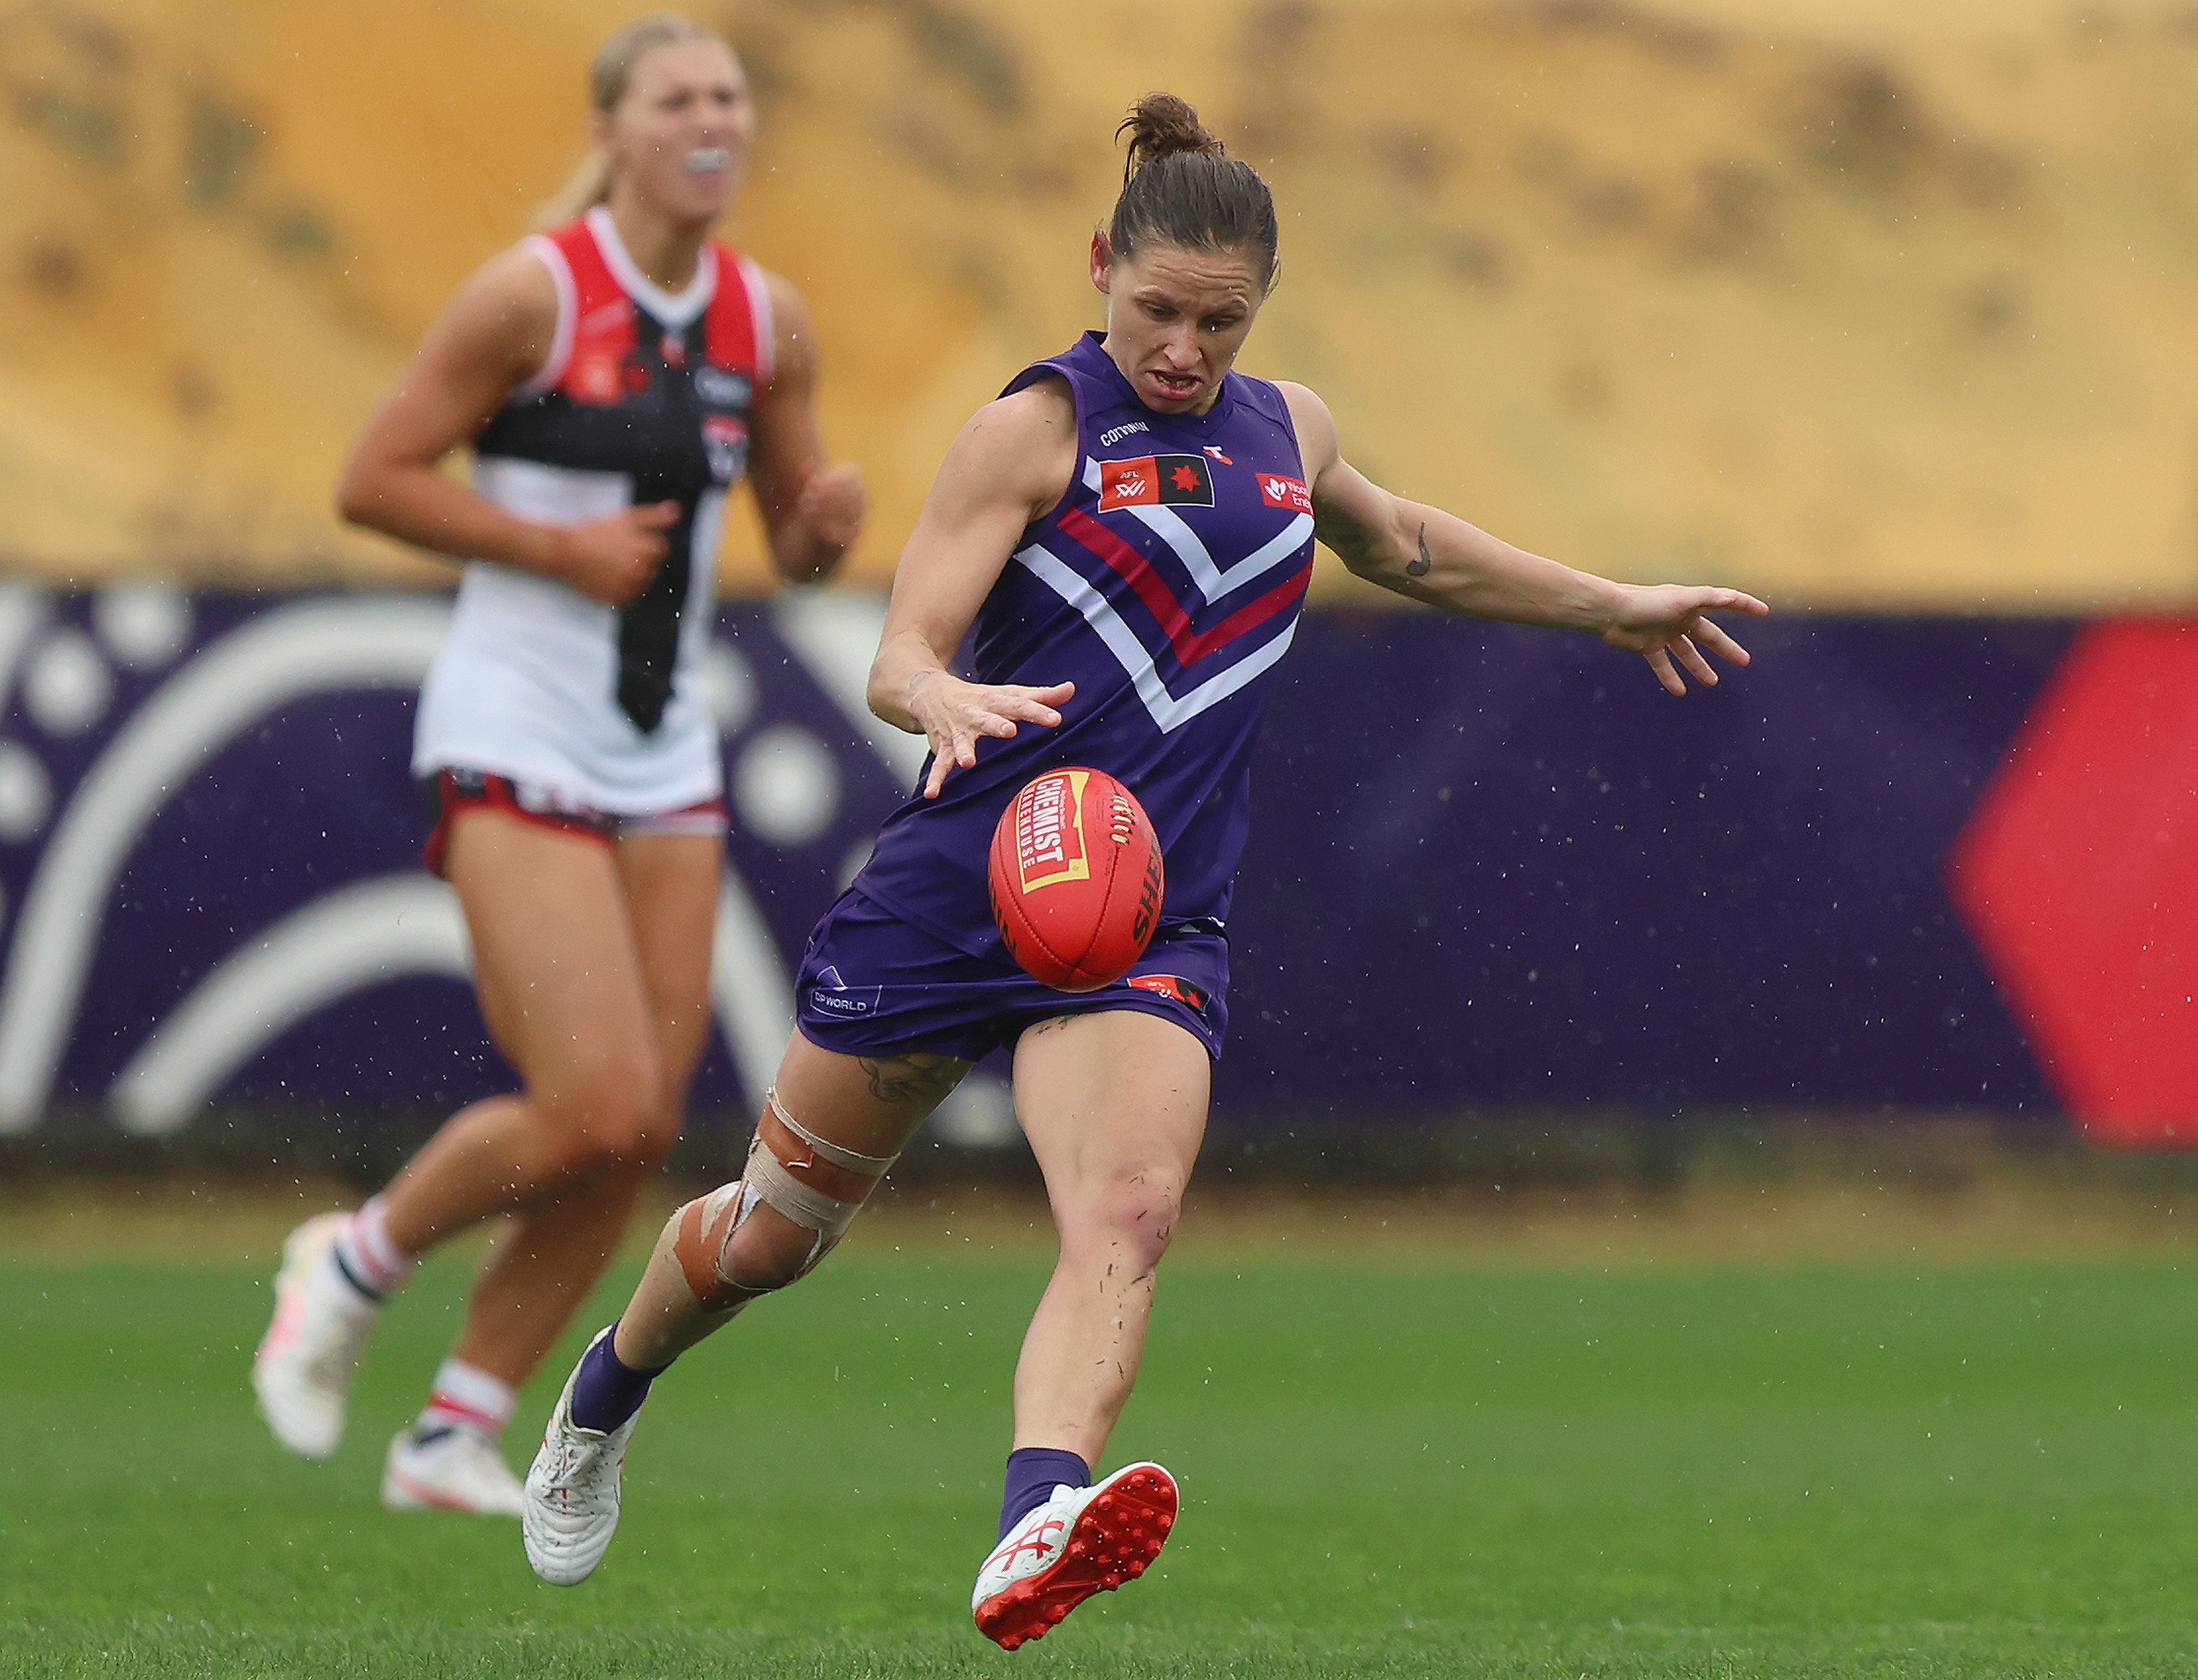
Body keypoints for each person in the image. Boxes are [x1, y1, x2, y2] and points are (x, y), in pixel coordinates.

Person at [520, 93, 1765, 1645]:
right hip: (964, 892)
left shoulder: (1288, 430)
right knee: (771, 1239)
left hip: (1146, 911)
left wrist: (1611, 605)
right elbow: (900, 649)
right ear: (1102, 265)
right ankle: (601, 1397)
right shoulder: (1032, 429)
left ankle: (1035, 1517)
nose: (1183, 350)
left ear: (1262, 312)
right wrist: (940, 695)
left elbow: (1409, 548)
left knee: (1129, 1211)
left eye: (1219, 323)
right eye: (1160, 310)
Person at [251, 13, 865, 1516]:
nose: (712, 116)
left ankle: (452, 1428)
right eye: (678, 97)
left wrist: (823, 530)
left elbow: (789, 528)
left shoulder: (765, 321)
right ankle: (355, 1257)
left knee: (646, 1125)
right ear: (612, 132)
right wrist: (553, 547)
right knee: (591, 1100)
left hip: (662, 748)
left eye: (729, 93)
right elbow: (372, 479)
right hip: (511, 726)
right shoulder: (533, 294)